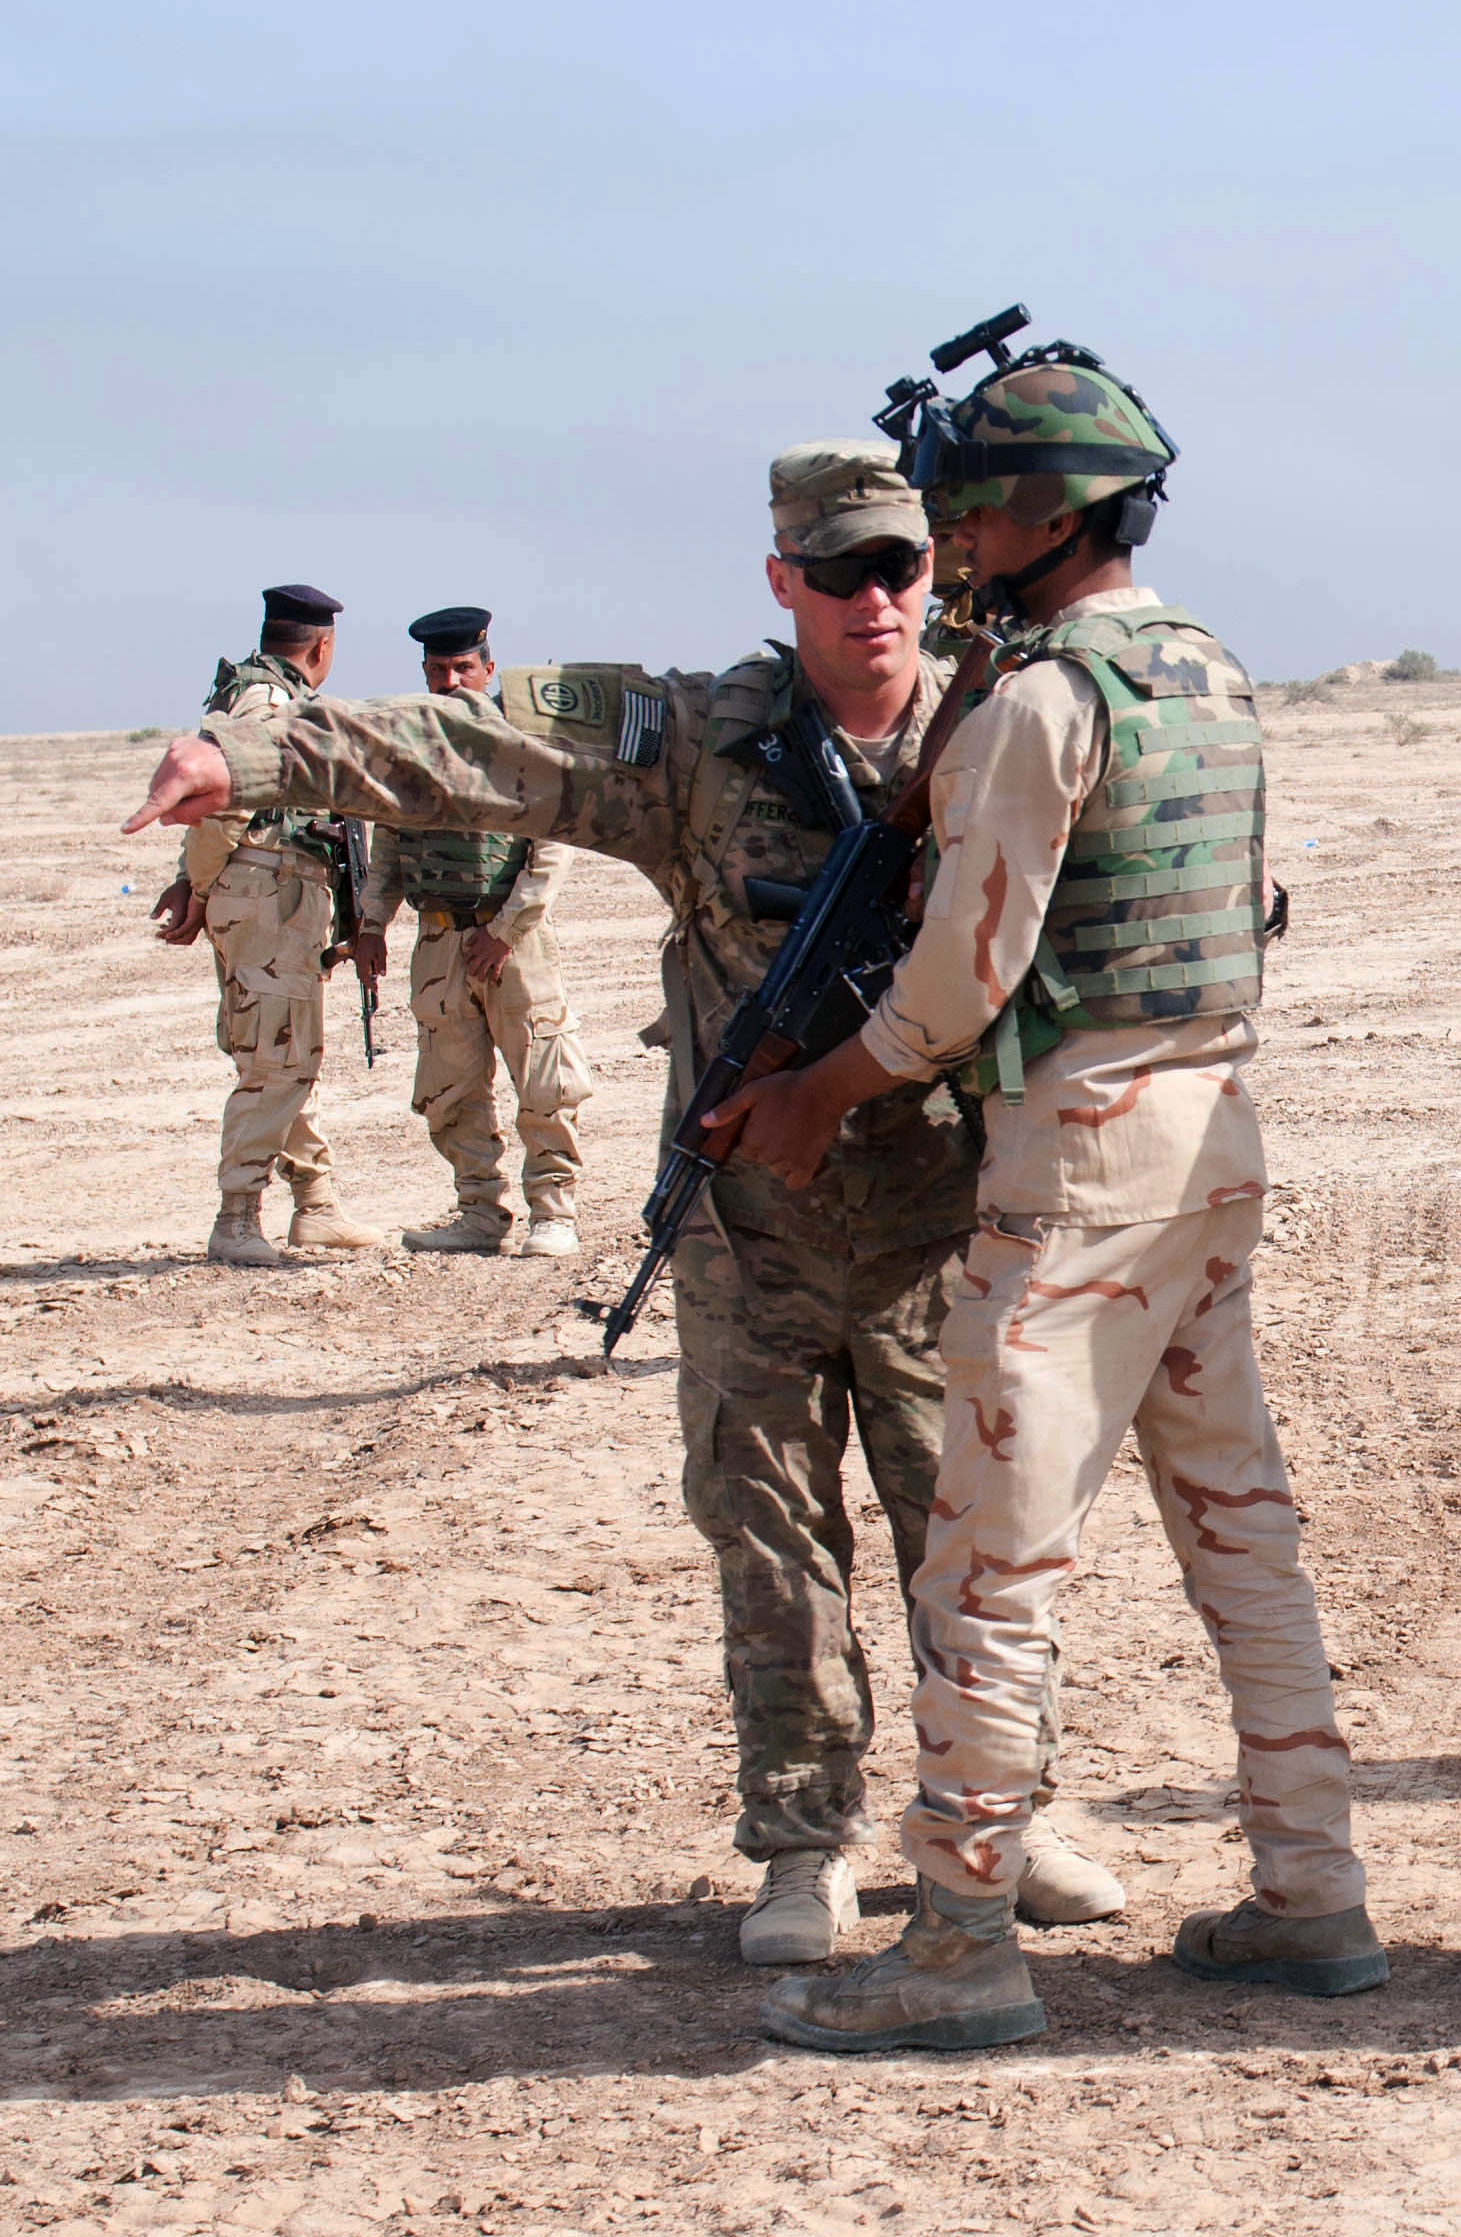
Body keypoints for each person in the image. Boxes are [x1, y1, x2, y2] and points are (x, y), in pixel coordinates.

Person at [124, 445, 1121, 1971]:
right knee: (770, 1533)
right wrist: (256, 760)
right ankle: (804, 1837)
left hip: (946, 1225)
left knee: (974, 1531)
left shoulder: (1008, 720)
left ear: (945, 573)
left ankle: (998, 1812)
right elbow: (467, 745)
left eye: (902, 568)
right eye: (839, 570)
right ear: (781, 576)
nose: (875, 599)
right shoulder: (699, 742)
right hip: (755, 1232)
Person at [709, 343, 1382, 2052]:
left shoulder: (1035, 705)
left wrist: (812, 1091)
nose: (948, 537)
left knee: (986, 1572)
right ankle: (1313, 1894)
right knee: (1242, 1537)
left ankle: (958, 1941)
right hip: (1213, 1142)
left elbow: (953, 988)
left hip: (1078, 1171)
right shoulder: (1205, 671)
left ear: (1034, 517)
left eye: (970, 511)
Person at [349, 607, 592, 1259]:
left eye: (463, 668)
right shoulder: (410, 751)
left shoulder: (521, 744)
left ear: (487, 668)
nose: (451, 681)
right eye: (438, 670)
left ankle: (553, 1213)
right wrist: (372, 925)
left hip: (512, 944)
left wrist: (507, 930)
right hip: (440, 942)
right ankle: (480, 1212)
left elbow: (552, 846)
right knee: (450, 1090)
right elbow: (390, 842)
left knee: (544, 1082)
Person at [155, 585, 387, 1267]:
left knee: (277, 1050)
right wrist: (197, 889)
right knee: (280, 1057)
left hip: (266, 893)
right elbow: (223, 810)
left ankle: (315, 1202)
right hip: (268, 893)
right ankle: (236, 1217)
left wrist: (195, 881)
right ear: (324, 646)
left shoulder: (249, 693)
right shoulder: (271, 705)